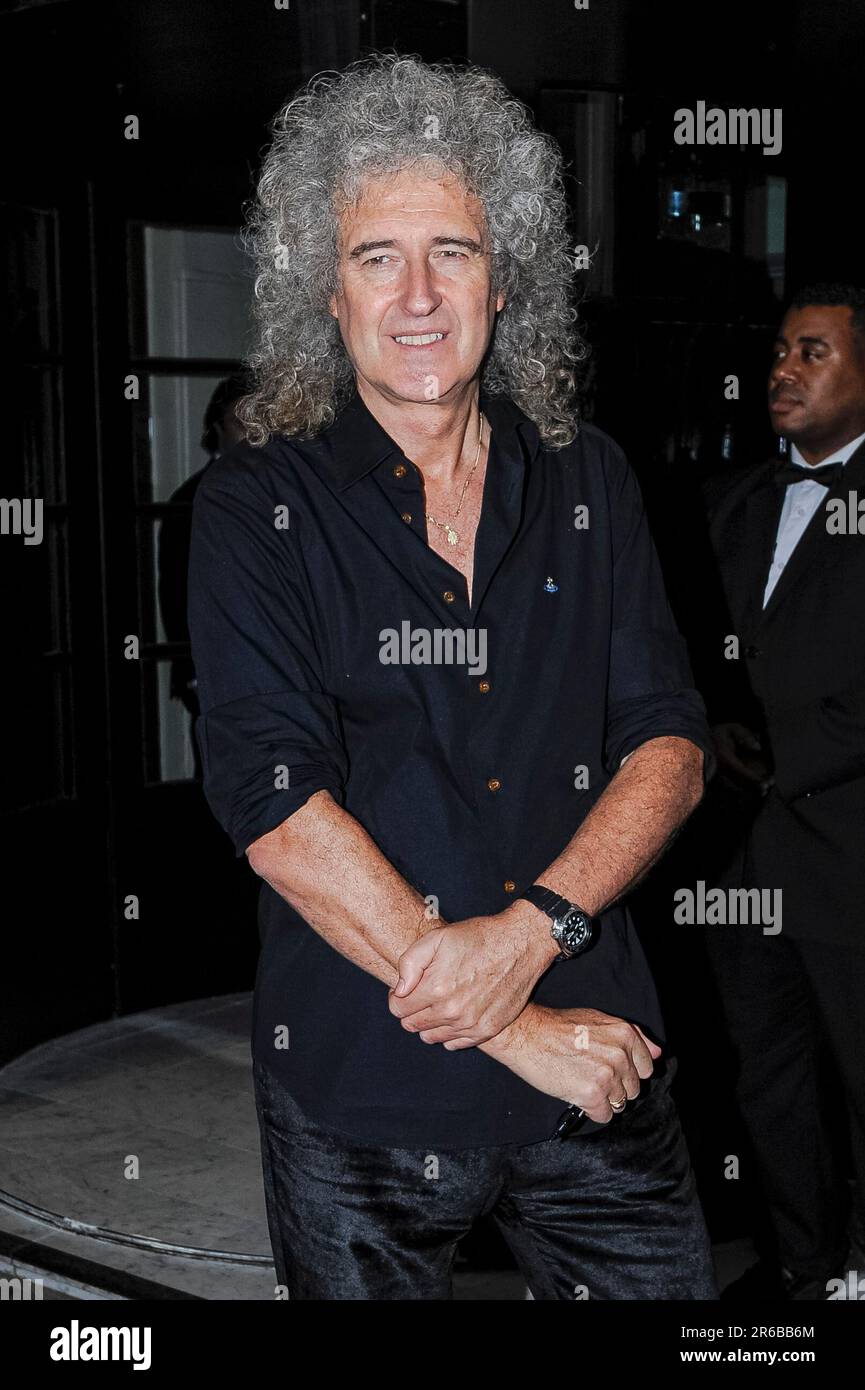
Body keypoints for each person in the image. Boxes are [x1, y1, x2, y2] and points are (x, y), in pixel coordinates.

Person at [187, 54, 718, 1301]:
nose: (418, 296)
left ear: (506, 276)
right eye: (378, 257)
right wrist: (513, 1025)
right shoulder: (253, 505)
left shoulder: (592, 480)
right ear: (325, 288)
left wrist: (538, 933)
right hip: (366, 1093)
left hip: (600, 1063)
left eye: (455, 253)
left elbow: (671, 744)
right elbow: (275, 808)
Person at [700, 283, 865, 1300]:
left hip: (850, 851)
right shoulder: (732, 500)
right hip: (736, 853)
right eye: (777, 352)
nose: (782, 369)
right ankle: (806, 1268)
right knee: (768, 1083)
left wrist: (774, 754)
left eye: (812, 352)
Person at [158, 372, 251, 775]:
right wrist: (192, 669)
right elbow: (175, 591)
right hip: (214, 669)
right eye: (241, 419)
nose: (253, 431)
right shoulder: (192, 499)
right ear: (217, 426)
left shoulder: (281, 490)